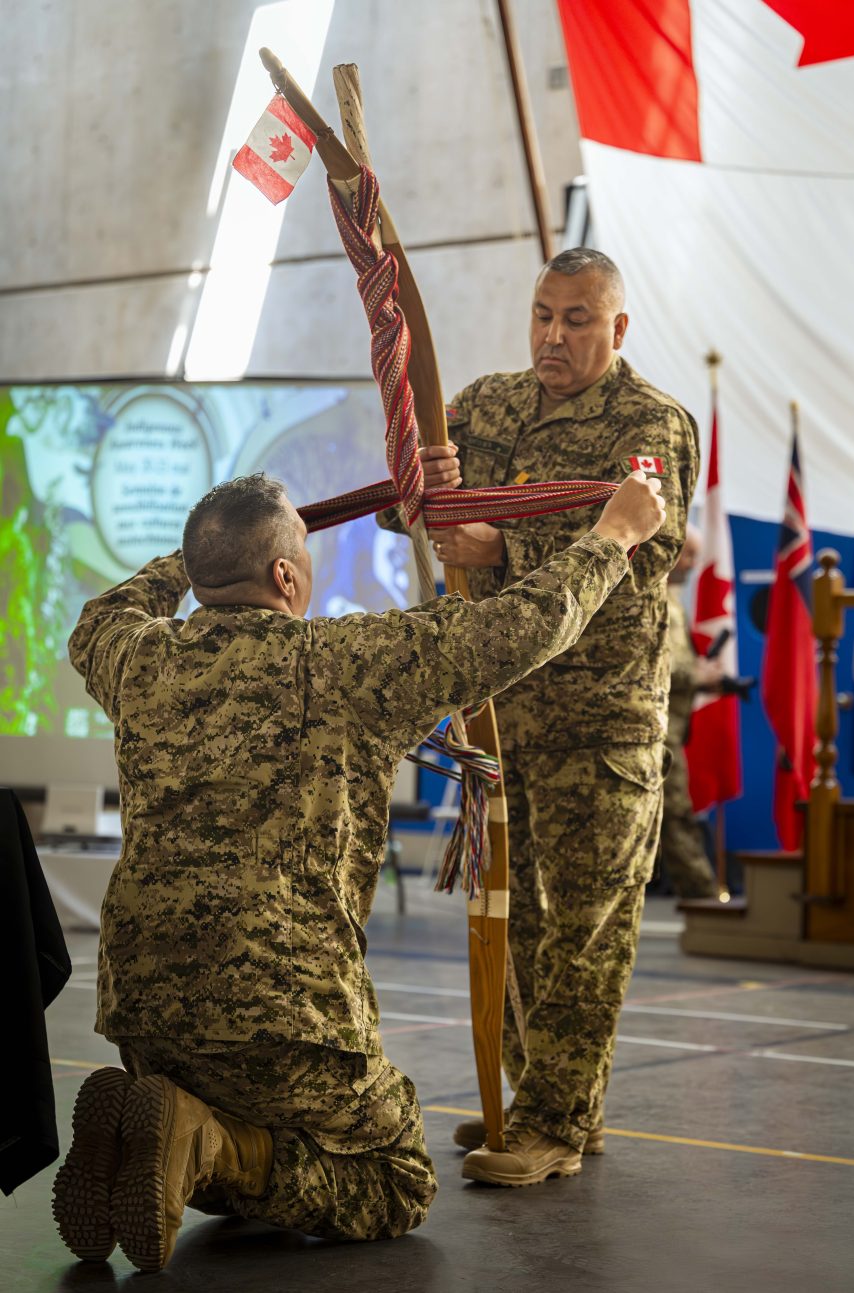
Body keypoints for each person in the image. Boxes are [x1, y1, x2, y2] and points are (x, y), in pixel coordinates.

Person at [52, 468, 665, 1269]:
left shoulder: (136, 657)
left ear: (201, 569)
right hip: (283, 1018)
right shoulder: (347, 662)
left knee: (219, 1126)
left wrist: (198, 555)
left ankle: (168, 1120)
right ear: (285, 576)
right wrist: (613, 534)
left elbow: (98, 617)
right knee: (392, 1177)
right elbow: (521, 625)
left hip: (145, 1016)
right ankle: (207, 1143)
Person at [404, 247, 699, 1185]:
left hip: (602, 722)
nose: (553, 336)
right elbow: (410, 501)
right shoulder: (487, 404)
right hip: (504, 715)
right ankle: (546, 1099)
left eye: (577, 320)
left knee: (586, 926)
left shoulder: (650, 424)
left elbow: (644, 555)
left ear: (617, 328)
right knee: (518, 923)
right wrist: (424, 481)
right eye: (542, 314)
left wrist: (502, 543)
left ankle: (553, 1121)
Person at [659, 525, 722, 898]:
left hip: (673, 727)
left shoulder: (673, 601)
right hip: (657, 729)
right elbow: (652, 664)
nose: (694, 564)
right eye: (688, 554)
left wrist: (702, 677)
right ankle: (703, 898)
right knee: (677, 816)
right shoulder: (651, 600)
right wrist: (695, 675)